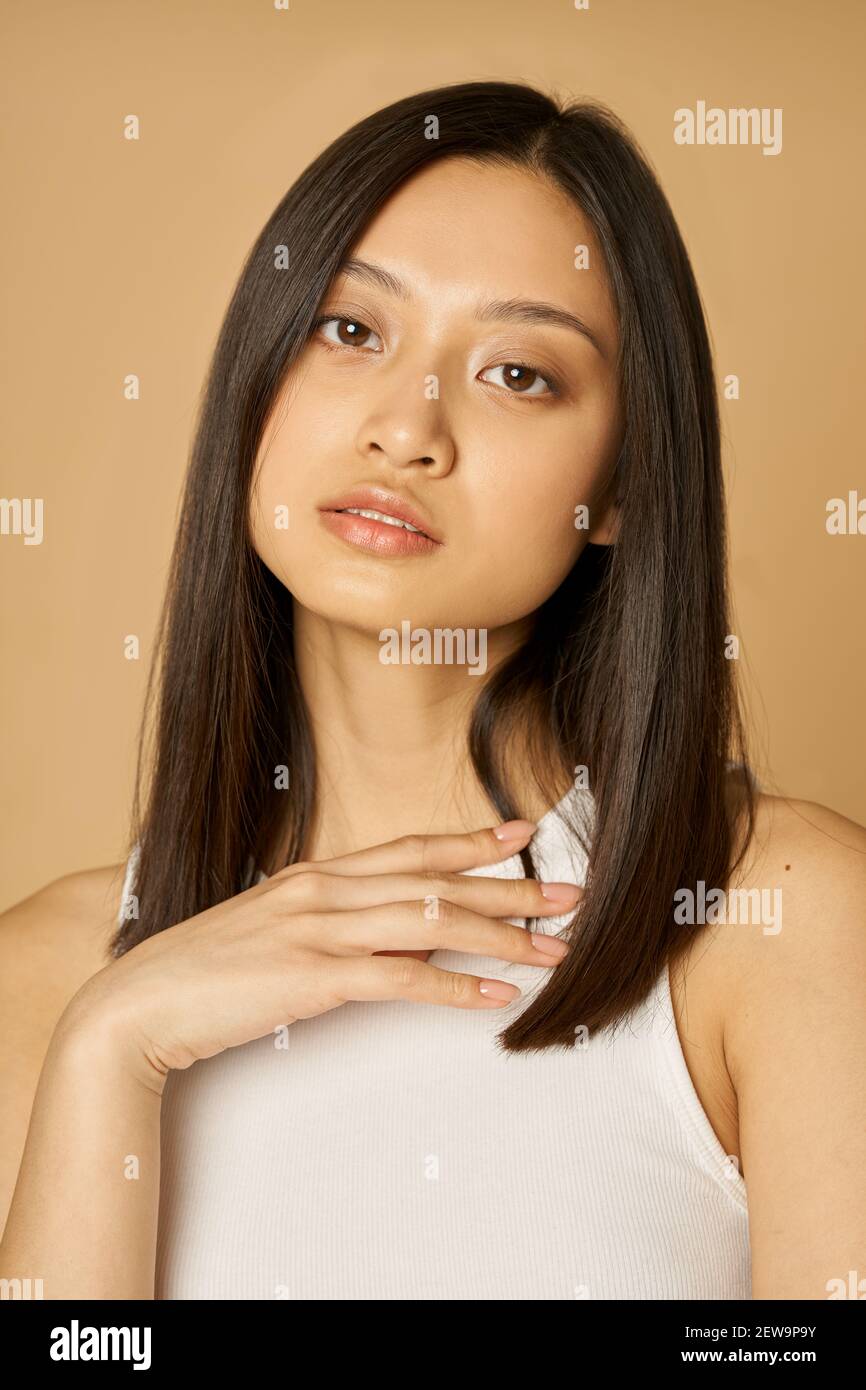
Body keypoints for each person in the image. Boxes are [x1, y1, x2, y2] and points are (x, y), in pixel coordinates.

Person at [1, 81, 864, 1302]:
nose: (407, 430)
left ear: (620, 486)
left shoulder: (776, 919)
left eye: (517, 372)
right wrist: (107, 1050)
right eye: (350, 331)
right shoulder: (48, 983)